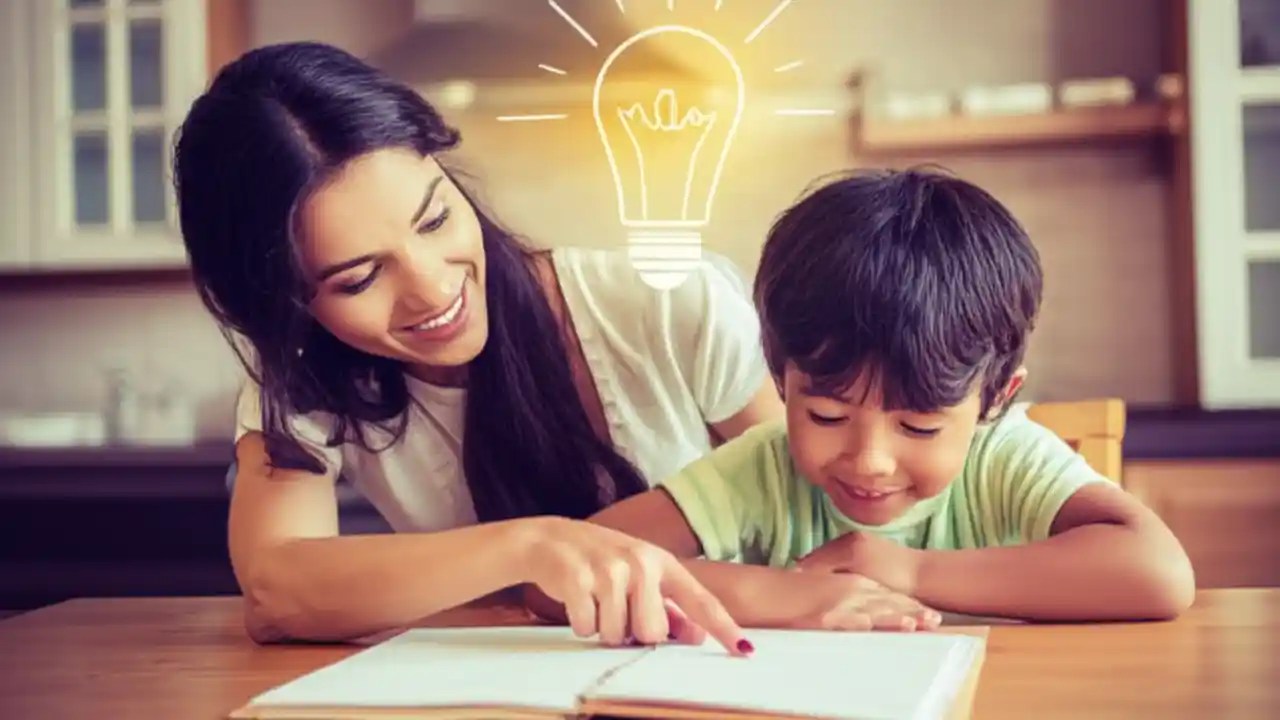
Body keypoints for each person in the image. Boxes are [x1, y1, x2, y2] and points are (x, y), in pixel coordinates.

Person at [172, 41, 936, 649]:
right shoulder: (303, 377)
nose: (433, 290)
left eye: (436, 220)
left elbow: (809, 516)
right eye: (359, 277)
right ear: (284, 303)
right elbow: (278, 591)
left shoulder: (667, 306)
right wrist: (531, 547)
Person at [583, 167, 1196, 623]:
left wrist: (911, 571)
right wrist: (781, 594)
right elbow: (569, 571)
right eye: (826, 414)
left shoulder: (1001, 457)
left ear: (994, 400)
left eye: (920, 427)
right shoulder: (765, 469)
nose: (869, 459)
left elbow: (1159, 573)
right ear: (778, 377)